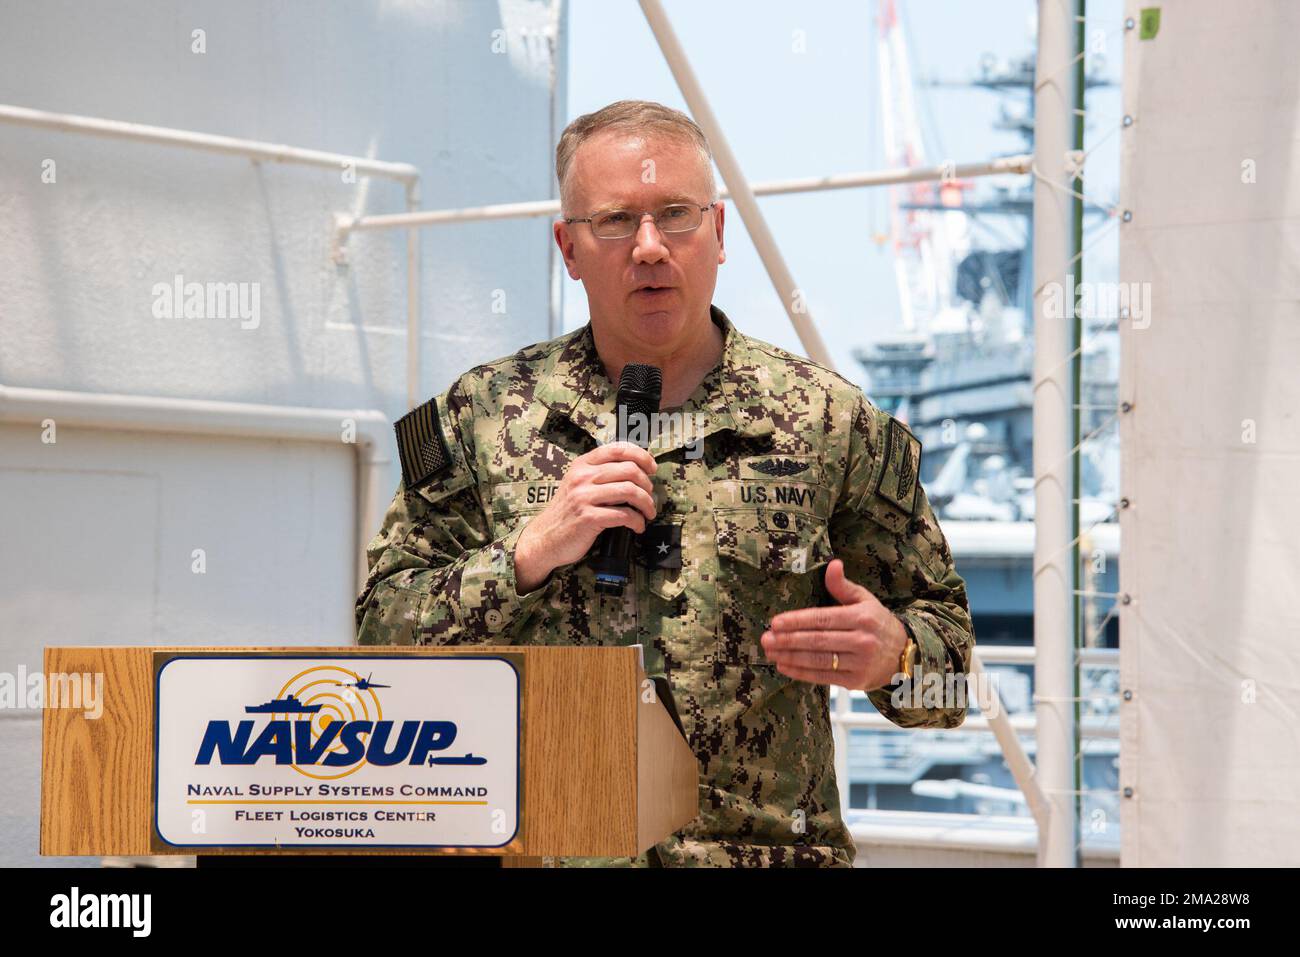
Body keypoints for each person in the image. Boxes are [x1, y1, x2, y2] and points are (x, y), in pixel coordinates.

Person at [356, 99, 975, 867]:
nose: (650, 248)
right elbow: (380, 637)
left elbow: (950, 683)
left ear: (719, 233)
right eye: (616, 221)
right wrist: (526, 554)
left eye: (675, 216)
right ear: (568, 248)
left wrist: (896, 656)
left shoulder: (829, 422)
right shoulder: (481, 418)